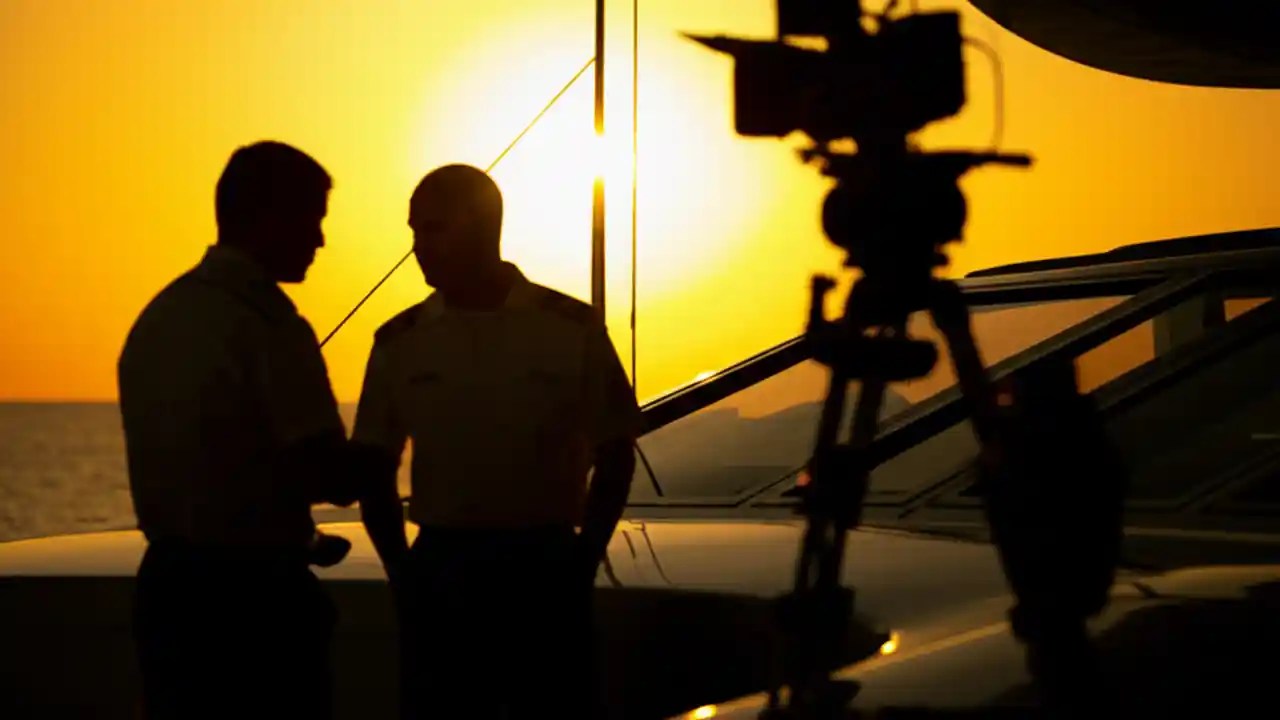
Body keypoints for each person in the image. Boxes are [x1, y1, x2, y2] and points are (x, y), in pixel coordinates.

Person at [352, 164, 640, 718]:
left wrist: (582, 562)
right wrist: (404, 576)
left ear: (483, 228)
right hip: (442, 566)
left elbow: (616, 451)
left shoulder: (569, 329)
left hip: (545, 565)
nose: (418, 248)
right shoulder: (401, 341)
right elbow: (373, 466)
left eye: (433, 230)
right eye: (413, 231)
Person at [117, 141, 358, 719]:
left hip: (168, 597)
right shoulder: (270, 325)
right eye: (312, 221)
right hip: (255, 611)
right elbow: (326, 471)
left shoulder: (157, 317)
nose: (321, 241)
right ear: (268, 217)